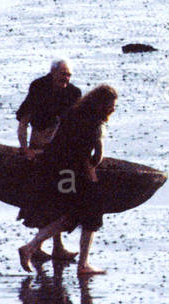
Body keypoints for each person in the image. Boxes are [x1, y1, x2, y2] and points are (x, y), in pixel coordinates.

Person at [17, 84, 118, 277]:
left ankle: (30, 248)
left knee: (68, 216)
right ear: (101, 104)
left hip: (58, 170)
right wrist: (92, 171)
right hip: (78, 173)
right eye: (111, 105)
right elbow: (98, 156)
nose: (113, 109)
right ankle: (83, 264)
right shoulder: (96, 123)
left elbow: (56, 144)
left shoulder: (72, 114)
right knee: (91, 217)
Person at [16, 59, 82, 260]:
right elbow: (24, 120)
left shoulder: (73, 93)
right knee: (44, 197)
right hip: (40, 142)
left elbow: (76, 124)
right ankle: (40, 246)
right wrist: (25, 148)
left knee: (60, 198)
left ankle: (56, 246)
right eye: (63, 74)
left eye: (69, 75)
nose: (66, 78)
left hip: (61, 149)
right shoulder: (39, 87)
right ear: (53, 73)